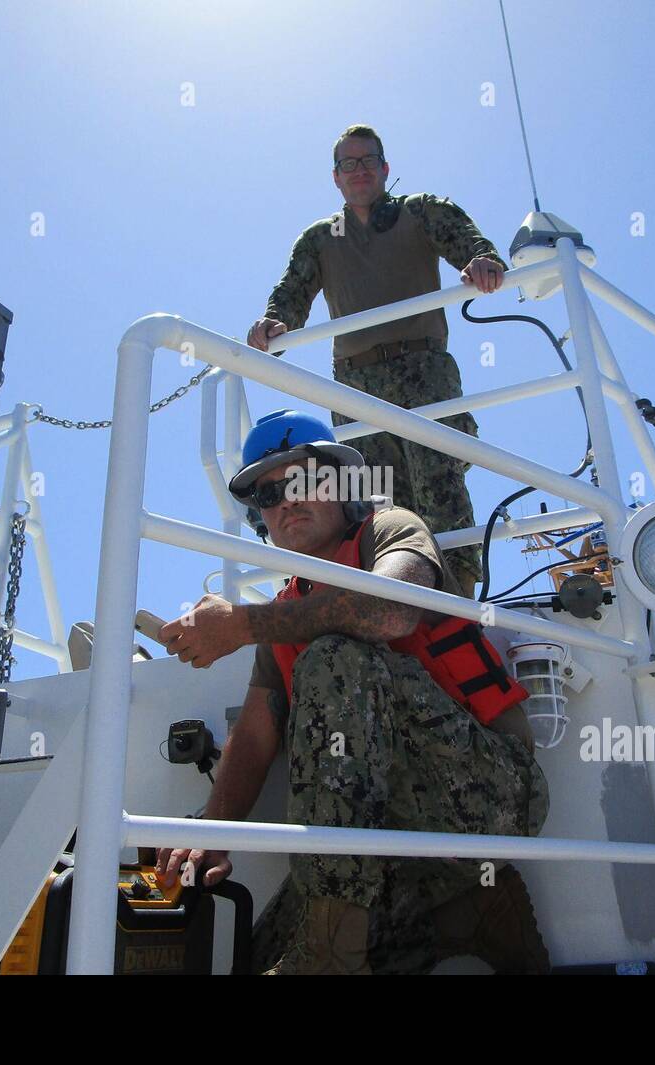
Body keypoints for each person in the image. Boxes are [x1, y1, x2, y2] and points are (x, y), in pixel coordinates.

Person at [156, 410, 549, 974]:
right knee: (256, 957)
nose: (285, 502)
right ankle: (473, 904)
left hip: (495, 796)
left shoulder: (392, 531)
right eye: (268, 493)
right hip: (396, 841)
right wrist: (213, 832)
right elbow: (256, 734)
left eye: (301, 481)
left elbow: (388, 609)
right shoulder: (284, 613)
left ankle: (331, 955)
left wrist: (241, 625)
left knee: (335, 656)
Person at [246, 124, 509, 599]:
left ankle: (457, 603)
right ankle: (385, 602)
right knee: (374, 499)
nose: (360, 170)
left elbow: (468, 242)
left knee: (440, 485)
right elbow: (290, 294)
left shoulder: (420, 211)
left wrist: (481, 261)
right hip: (355, 384)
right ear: (336, 177)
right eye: (350, 163)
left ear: (385, 168)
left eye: (369, 160)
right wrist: (273, 324)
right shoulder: (321, 238)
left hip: (423, 371)